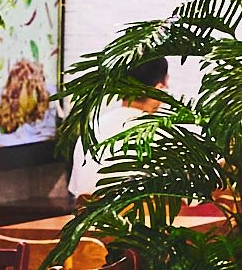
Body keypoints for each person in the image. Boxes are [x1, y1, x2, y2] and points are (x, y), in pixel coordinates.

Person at [64, 55, 170, 203]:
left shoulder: (92, 130)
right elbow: (189, 197)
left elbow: (79, 194)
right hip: (148, 223)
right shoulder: (165, 134)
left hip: (95, 224)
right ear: (159, 88)